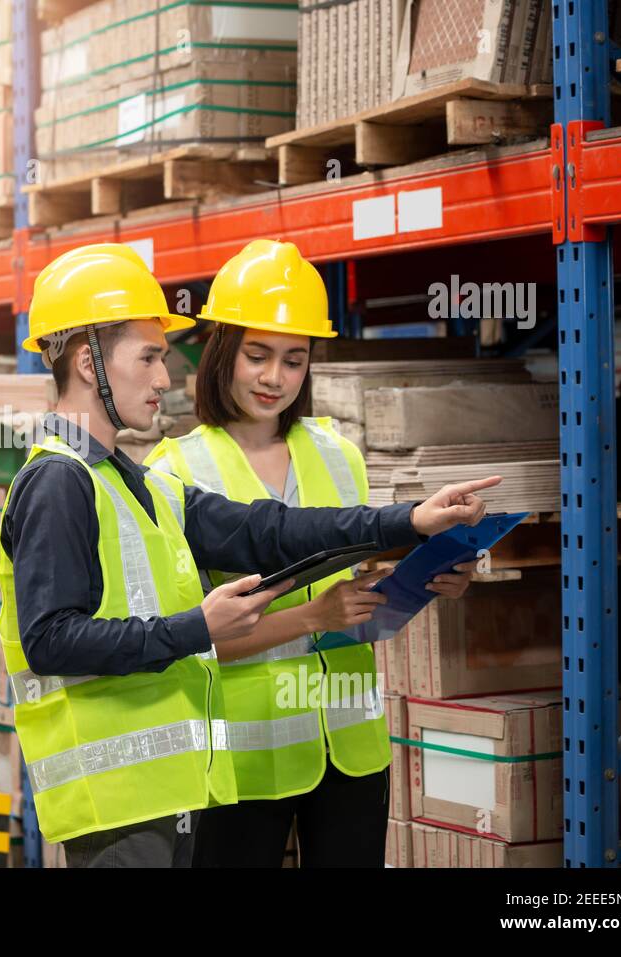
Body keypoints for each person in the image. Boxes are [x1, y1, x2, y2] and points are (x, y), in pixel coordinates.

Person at [0, 242, 499, 868]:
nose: (163, 376)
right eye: (149, 356)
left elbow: (269, 530)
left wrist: (412, 521)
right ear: (86, 359)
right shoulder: (58, 481)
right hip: (117, 797)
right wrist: (198, 628)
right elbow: (49, 639)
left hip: (166, 785)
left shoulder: (139, 482)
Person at [145, 239, 478, 867]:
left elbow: (355, 591)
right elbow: (186, 641)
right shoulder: (176, 470)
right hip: (243, 758)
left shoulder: (337, 454)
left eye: (294, 360)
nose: (275, 378)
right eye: (258, 355)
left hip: (350, 744)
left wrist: (422, 580)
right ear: (222, 351)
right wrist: (311, 618)